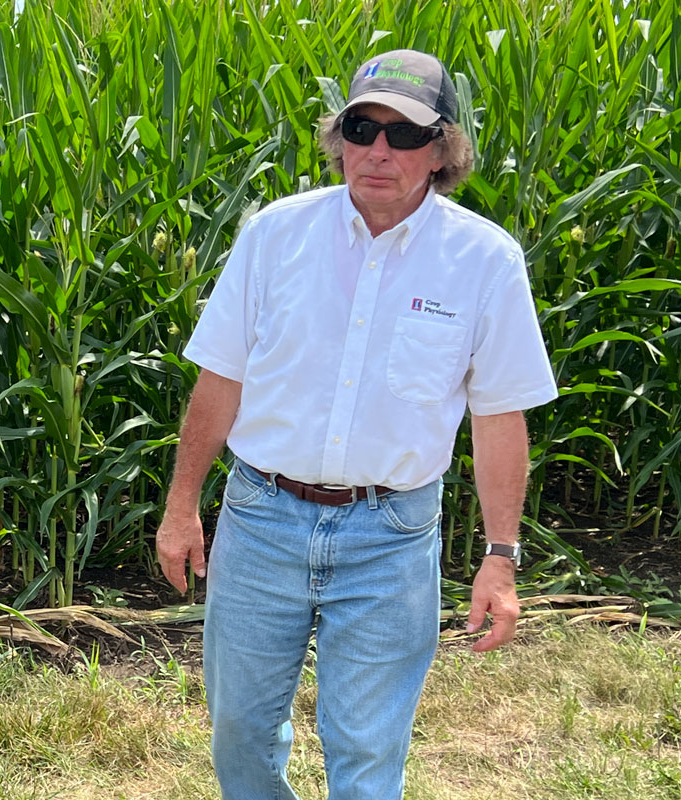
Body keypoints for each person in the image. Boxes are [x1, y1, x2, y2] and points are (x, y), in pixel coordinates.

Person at [154, 50, 557, 799]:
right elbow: (221, 379)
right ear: (339, 138)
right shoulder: (277, 235)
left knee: (367, 758)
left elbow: (500, 416)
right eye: (362, 127)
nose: (378, 150)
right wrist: (182, 507)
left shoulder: (484, 262)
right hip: (261, 521)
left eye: (404, 135)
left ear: (441, 152)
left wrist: (500, 557)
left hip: (391, 538)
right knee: (239, 734)